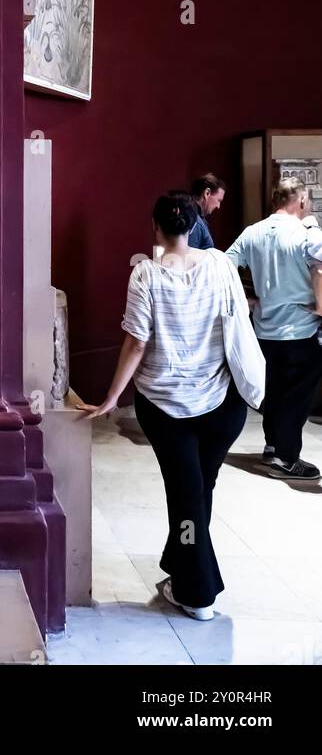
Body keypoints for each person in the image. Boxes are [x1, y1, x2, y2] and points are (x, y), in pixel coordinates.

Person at [78, 191, 252, 621]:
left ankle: (196, 594)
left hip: (167, 405)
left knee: (187, 495)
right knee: (198, 488)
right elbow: (238, 318)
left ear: (155, 227)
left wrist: (112, 397)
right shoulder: (221, 265)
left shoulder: (147, 275)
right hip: (222, 402)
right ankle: (179, 567)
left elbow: (137, 342)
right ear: (194, 225)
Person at [225, 177, 322, 482]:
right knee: (297, 396)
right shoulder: (305, 232)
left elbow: (225, 263)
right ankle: (287, 458)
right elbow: (320, 265)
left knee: (275, 389)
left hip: (265, 328)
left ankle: (272, 445)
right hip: (299, 329)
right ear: (302, 201)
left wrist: (246, 298)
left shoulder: (252, 232)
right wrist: (321, 306)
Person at [187, 173, 226, 249]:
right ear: (207, 193)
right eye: (218, 200)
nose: (218, 206)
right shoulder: (195, 221)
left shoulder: (192, 218)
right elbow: (190, 257)